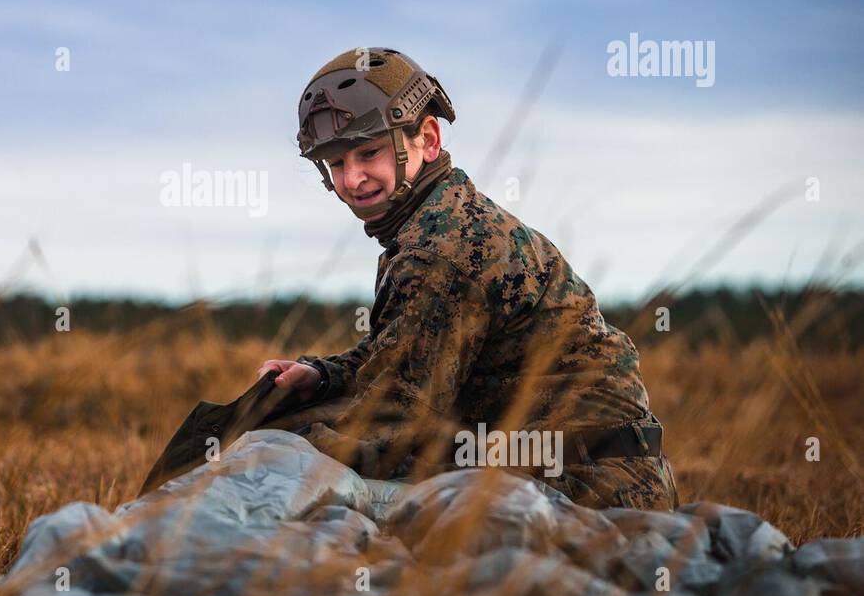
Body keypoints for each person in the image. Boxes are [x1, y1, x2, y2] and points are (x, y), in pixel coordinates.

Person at [257, 47, 679, 511]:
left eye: (369, 152)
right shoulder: (435, 223)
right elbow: (398, 352)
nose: (353, 179)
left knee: (304, 485)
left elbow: (390, 425)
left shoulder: (442, 248)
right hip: (576, 473)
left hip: (591, 492)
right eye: (336, 164)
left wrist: (273, 443)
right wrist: (320, 376)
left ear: (429, 140)